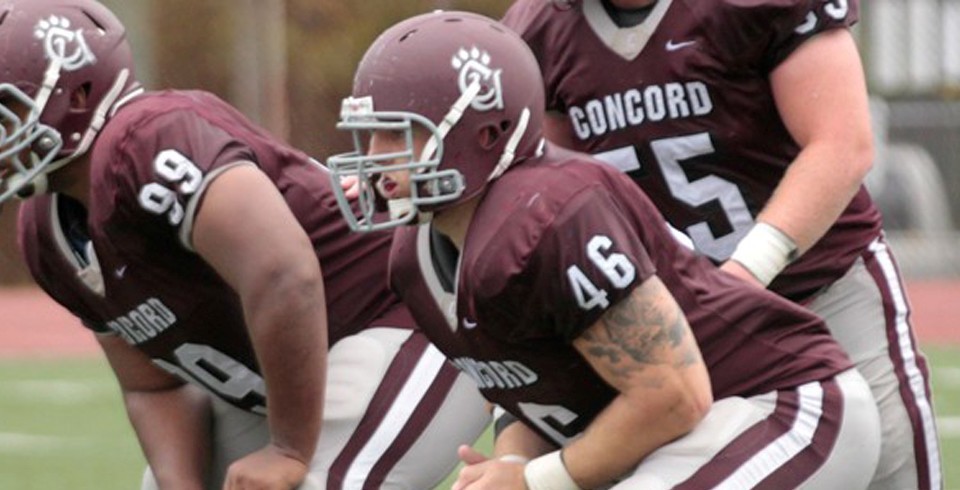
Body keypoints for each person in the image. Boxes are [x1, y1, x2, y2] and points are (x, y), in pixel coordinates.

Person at [326, 10, 881, 489]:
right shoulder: (418, 258)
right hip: (684, 431)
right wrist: (513, 463)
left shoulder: (546, 219)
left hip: (779, 407)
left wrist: (535, 478)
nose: (376, 158)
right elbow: (534, 393)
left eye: (399, 136)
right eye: (372, 134)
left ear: (486, 135)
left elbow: (672, 395)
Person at [1, 1, 490, 489]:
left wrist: (288, 451)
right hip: (295, 375)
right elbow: (154, 385)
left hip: (413, 317)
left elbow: (283, 274)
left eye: (6, 106)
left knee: (320, 484)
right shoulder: (44, 234)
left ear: (80, 94)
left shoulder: (149, 140)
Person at [499, 0, 942, 488]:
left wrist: (741, 276)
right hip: (681, 320)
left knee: (893, 471)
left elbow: (842, 144)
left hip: (822, 284)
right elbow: (556, 203)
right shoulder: (541, 28)